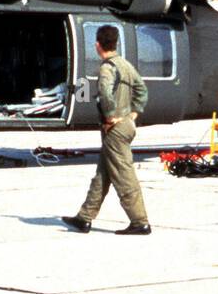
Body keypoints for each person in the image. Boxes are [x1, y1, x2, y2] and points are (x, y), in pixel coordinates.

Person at [62, 25, 151, 235]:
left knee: (123, 174)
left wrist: (111, 115)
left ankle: (140, 222)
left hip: (115, 129)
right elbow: (142, 89)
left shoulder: (107, 68)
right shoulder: (125, 65)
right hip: (125, 125)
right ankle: (84, 218)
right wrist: (133, 113)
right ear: (115, 43)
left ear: (97, 45)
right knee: (103, 174)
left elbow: (105, 91)